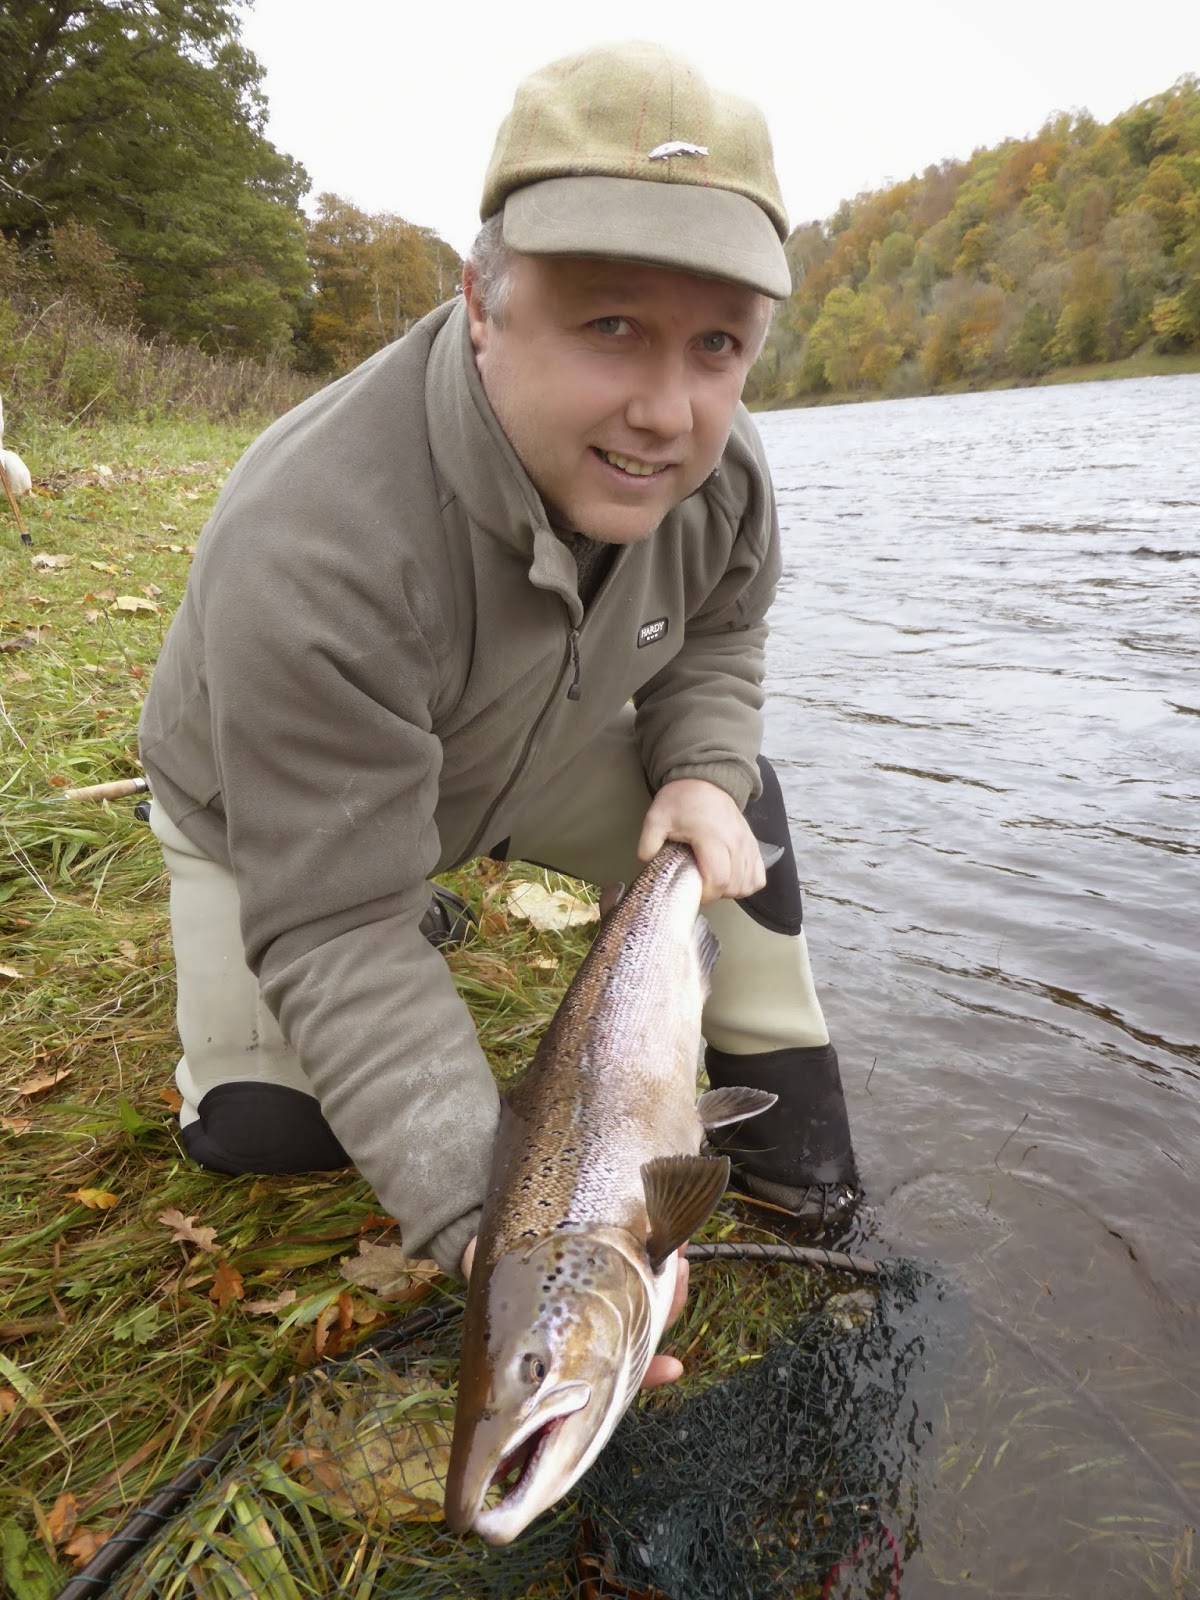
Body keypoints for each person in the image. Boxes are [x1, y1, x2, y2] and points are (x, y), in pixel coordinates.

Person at [138, 41, 859, 1315]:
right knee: (265, 1131)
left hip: (533, 749)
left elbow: (722, 633)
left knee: (735, 818)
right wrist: (506, 1237)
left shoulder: (722, 471)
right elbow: (333, 923)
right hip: (272, 818)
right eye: (612, 326)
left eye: (718, 345)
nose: (667, 409)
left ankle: (797, 1156)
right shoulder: (310, 546)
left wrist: (698, 773)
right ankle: (409, 912)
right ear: (482, 302)